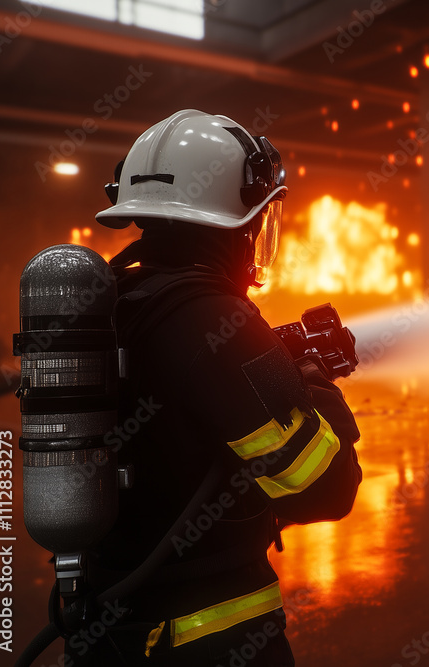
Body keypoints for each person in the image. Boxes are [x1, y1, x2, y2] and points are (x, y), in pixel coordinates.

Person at [74, 109, 362, 665]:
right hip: (210, 645)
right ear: (240, 224)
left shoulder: (117, 302)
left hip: (110, 634)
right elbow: (326, 490)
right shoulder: (218, 320)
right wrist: (314, 385)